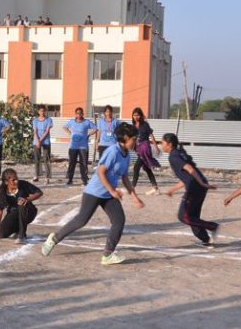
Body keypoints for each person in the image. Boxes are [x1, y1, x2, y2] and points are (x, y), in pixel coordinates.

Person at [42, 123, 144, 265]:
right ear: (125, 138)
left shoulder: (126, 155)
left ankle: (108, 255)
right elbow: (100, 172)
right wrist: (112, 191)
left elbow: (125, 176)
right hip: (94, 192)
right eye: (134, 138)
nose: (136, 142)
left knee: (119, 221)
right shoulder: (112, 151)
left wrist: (134, 197)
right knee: (81, 221)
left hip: (108, 195)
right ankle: (54, 239)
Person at [161, 133, 220, 248]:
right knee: (193, 216)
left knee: (184, 216)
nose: (161, 145)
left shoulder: (173, 156)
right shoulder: (178, 153)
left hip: (196, 187)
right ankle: (206, 239)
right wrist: (173, 189)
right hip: (198, 186)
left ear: (170, 144)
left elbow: (190, 169)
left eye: (162, 143)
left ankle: (212, 226)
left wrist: (201, 183)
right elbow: (186, 177)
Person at [0, 169, 44, 244]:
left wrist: (27, 199)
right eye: (13, 180)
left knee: (21, 203)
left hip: (29, 212)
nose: (16, 181)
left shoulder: (23, 184)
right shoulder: (1, 192)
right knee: (2, 233)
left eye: (17, 179)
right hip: (14, 214)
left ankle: (22, 235)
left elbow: (39, 192)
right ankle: (17, 229)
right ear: (6, 182)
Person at [64, 107, 97, 185]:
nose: (79, 114)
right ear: (75, 114)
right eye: (77, 113)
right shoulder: (71, 122)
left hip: (83, 146)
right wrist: (70, 133)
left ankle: (84, 180)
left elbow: (96, 128)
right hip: (73, 146)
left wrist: (88, 135)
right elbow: (64, 127)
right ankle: (70, 179)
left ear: (82, 114)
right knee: (72, 163)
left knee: (83, 163)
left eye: (80, 113)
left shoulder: (87, 122)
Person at [132, 107, 161, 195]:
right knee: (147, 169)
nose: (136, 117)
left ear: (140, 116)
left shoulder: (145, 124)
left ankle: (132, 188)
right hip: (138, 149)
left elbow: (151, 135)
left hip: (145, 148)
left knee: (136, 167)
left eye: (138, 115)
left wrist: (156, 147)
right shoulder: (133, 126)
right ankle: (155, 188)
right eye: (134, 115)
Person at [32, 105, 53, 184]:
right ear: (38, 112)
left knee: (46, 159)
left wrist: (40, 140)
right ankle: (36, 175)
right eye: (40, 111)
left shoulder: (49, 120)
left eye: (43, 111)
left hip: (45, 142)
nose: (42, 112)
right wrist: (37, 141)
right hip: (36, 142)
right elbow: (35, 131)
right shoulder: (35, 121)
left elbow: (47, 131)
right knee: (37, 159)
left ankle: (47, 177)